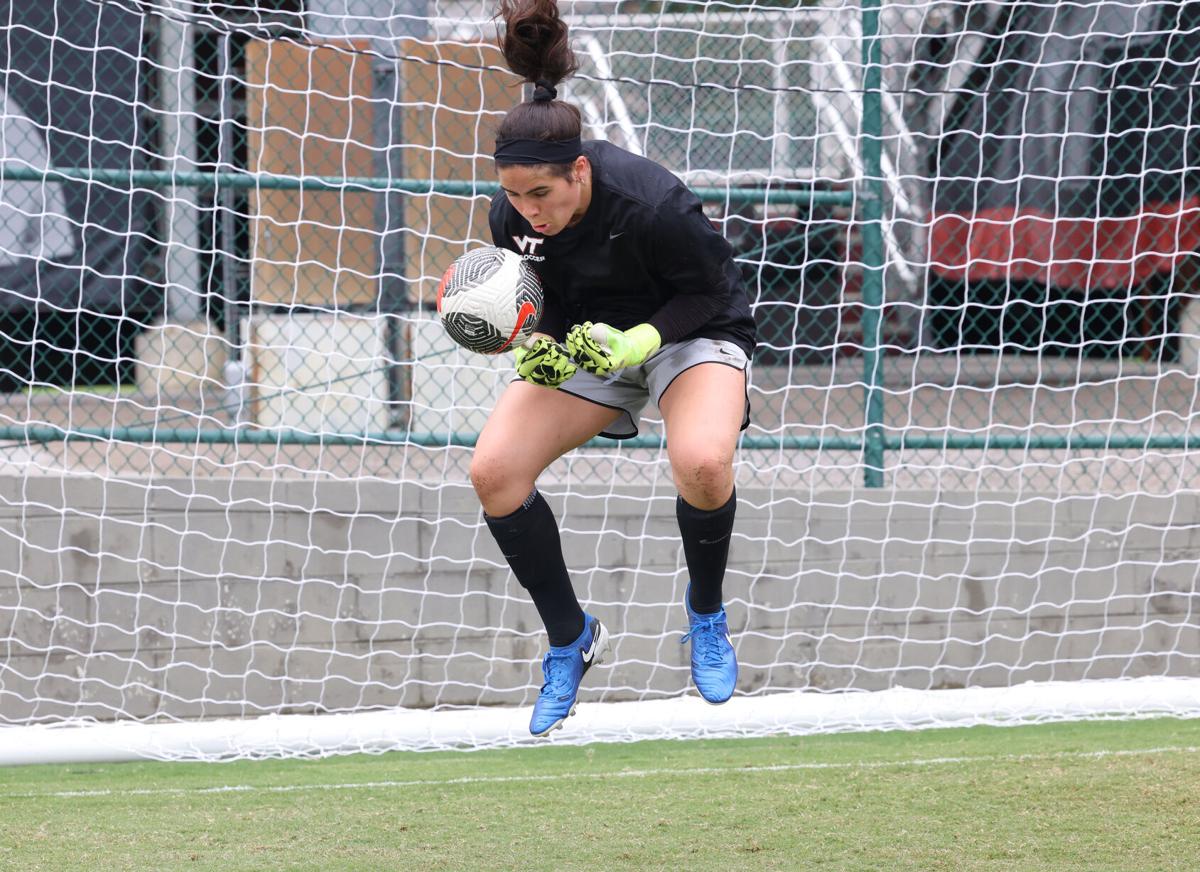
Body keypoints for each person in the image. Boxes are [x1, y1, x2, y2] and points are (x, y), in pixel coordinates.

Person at [471, 0, 758, 737]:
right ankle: (571, 638)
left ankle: (705, 616)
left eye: (542, 194)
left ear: (579, 171)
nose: (526, 209)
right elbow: (535, 299)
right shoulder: (511, 217)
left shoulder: (653, 202)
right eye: (512, 193)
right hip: (592, 349)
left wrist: (636, 343)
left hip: (688, 333)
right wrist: (532, 339)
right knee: (494, 473)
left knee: (700, 460)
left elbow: (712, 291)